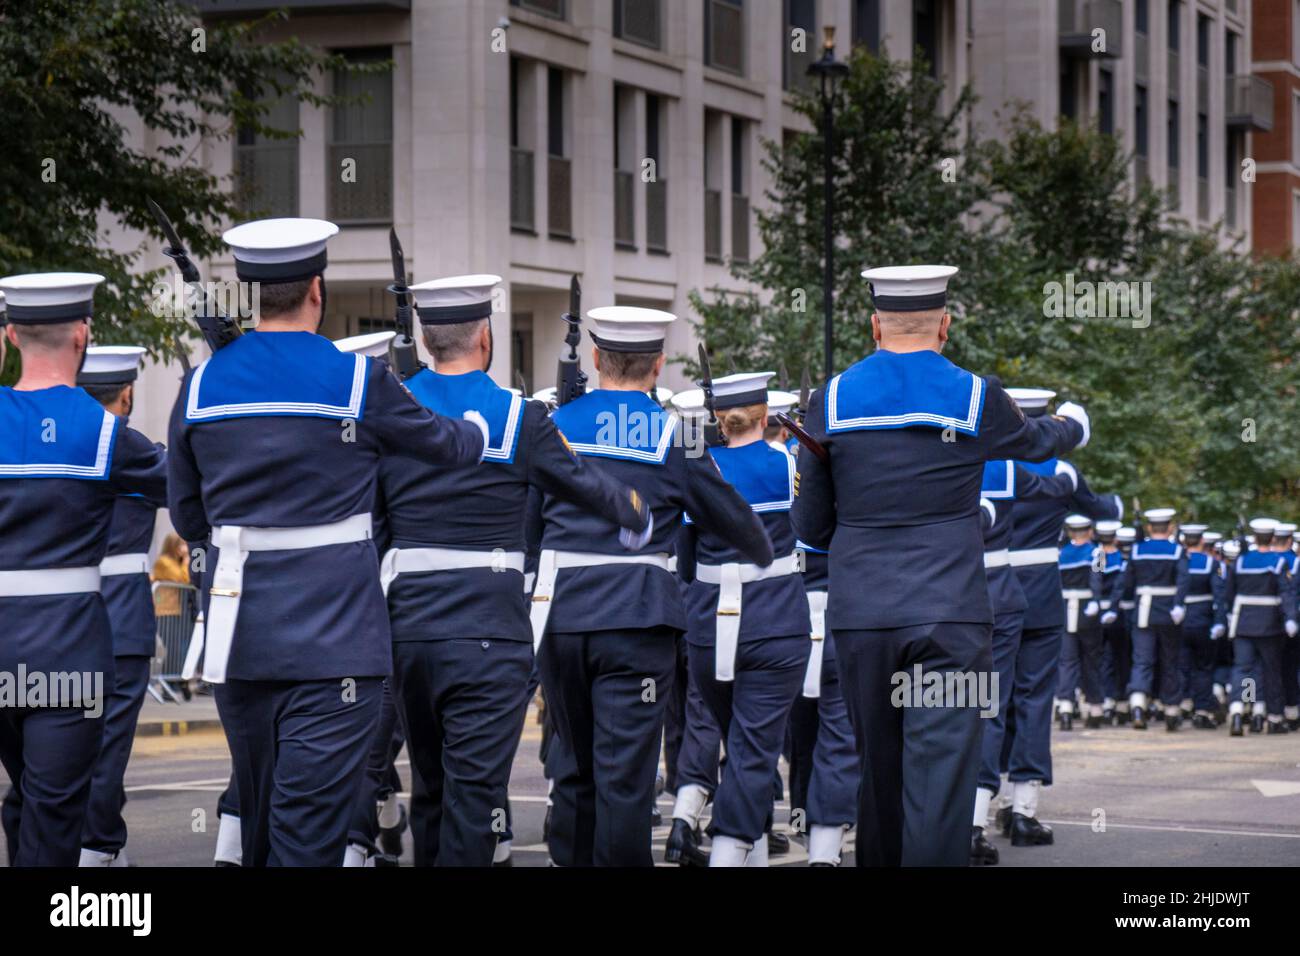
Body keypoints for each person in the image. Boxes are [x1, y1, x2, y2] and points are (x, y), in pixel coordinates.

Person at [167, 218, 488, 866]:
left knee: (258, 821)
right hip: (335, 644)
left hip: (241, 641)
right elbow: (445, 445)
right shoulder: (357, 381)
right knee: (307, 832)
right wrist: (479, 426)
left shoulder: (200, 387)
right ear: (317, 290)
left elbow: (188, 513)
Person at [790, 265, 1088, 866]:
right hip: (951, 617)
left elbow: (811, 529)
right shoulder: (976, 396)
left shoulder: (832, 398)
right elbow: (1038, 442)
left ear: (875, 325)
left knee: (880, 775)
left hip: (864, 617)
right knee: (942, 783)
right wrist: (1075, 425)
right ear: (944, 325)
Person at [371, 276, 650, 867]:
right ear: (486, 337)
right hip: (487, 630)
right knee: (474, 799)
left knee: (430, 788)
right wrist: (634, 512)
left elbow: (372, 521)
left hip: (407, 629)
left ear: (423, 337)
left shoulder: (389, 410)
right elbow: (580, 484)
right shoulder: (518, 416)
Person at [532, 306, 772, 867]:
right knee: (625, 778)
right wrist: (762, 552)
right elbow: (729, 517)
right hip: (638, 621)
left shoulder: (554, 425)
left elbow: (529, 524)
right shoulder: (677, 435)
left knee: (572, 765)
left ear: (595, 359)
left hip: (561, 615)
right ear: (659, 365)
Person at [0, 272, 167, 866]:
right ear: (83, 335)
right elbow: (195, 486)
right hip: (67, 656)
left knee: (25, 803)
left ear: (12, 335)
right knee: (51, 815)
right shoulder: (104, 433)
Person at [671, 374, 809, 867]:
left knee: (738, 738)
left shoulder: (700, 469)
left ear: (717, 419)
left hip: (708, 621)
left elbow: (684, 558)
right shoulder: (789, 463)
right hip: (775, 620)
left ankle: (744, 853)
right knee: (753, 751)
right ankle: (728, 855)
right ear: (766, 411)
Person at [77, 346, 165, 867]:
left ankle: (101, 846)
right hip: (123, 617)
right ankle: (96, 850)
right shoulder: (134, 451)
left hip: (62, 617)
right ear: (126, 395)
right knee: (109, 748)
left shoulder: (58, 445)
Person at [1111, 508, 1189, 731]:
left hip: (1143, 611)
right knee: (1169, 661)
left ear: (1149, 528)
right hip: (1168, 613)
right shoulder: (1177, 551)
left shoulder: (1137, 550)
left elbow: (1124, 583)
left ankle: (1137, 703)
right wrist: (1178, 604)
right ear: (1170, 528)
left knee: (1142, 660)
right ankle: (1171, 708)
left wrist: (1113, 606)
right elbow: (1184, 580)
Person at [1224, 518, 1297, 736]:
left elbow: (1230, 592)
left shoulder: (1241, 561)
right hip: (1269, 624)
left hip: (1243, 622)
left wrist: (1229, 616)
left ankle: (1241, 711)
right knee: (1270, 671)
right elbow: (1286, 592)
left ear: (1255, 538)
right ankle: (1272, 717)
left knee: (1245, 670)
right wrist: (1290, 617)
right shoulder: (1277, 561)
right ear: (1273, 538)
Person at [1054, 514, 1106, 732]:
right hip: (1087, 609)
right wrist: (1096, 600)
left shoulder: (1060, 553)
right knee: (1091, 660)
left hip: (1065, 608)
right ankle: (1094, 707)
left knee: (1067, 661)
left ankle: (1065, 706)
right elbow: (1098, 577)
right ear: (1090, 531)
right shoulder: (1097, 552)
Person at [1177, 524, 1226, 729]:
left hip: (1179, 621)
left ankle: (1179, 705)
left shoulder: (1177, 561)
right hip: (1204, 621)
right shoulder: (1212, 563)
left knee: (1181, 667)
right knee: (1204, 668)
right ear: (1202, 542)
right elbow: (1219, 595)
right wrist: (1220, 621)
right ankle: (1202, 710)